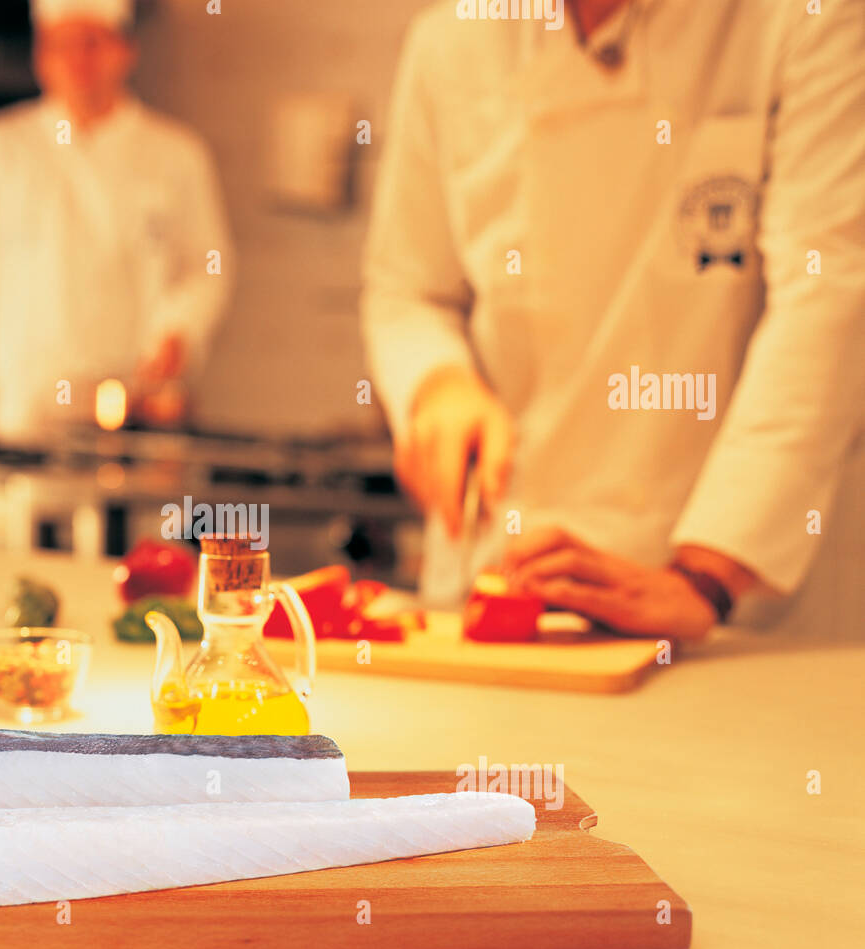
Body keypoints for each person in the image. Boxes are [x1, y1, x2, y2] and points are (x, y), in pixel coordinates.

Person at [362, 0, 865, 639]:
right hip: (497, 570)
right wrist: (436, 382)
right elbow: (407, 290)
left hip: (725, 598)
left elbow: (829, 294)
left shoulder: (806, 18)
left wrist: (708, 573)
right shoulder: (450, 42)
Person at [0, 0, 232, 443]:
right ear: (40, 56)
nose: (77, 60)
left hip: (130, 408)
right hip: (18, 411)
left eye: (92, 43)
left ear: (126, 50)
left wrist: (178, 331)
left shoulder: (178, 155)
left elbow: (209, 266)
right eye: (60, 45)